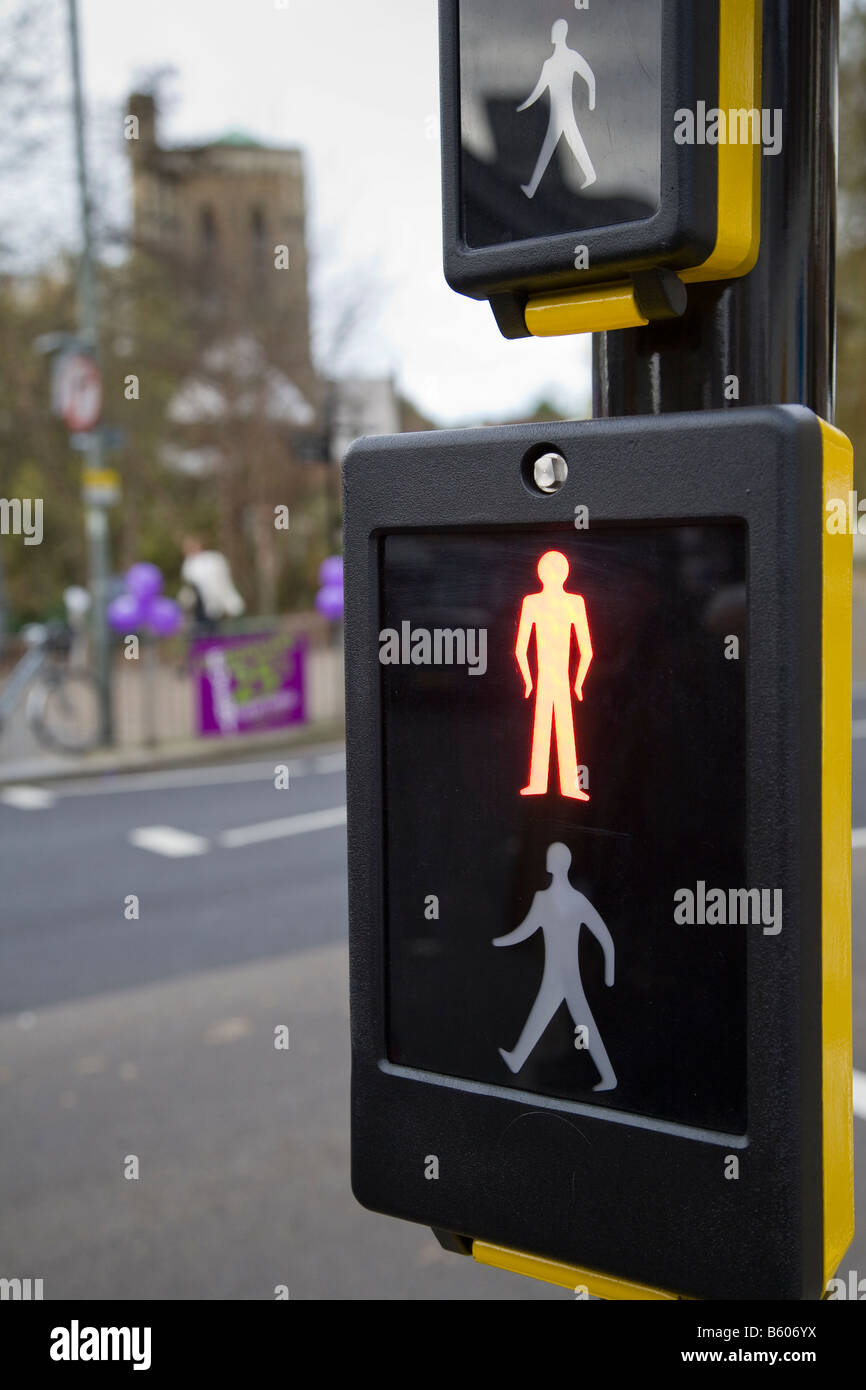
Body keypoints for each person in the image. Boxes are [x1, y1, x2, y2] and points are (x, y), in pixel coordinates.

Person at [493, 842, 616, 1091]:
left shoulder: (575, 899)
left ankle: (607, 1076)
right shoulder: (546, 898)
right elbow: (525, 930)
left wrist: (609, 971)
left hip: (567, 974)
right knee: (549, 1016)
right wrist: (499, 941)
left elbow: (604, 937)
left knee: (577, 1020)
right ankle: (519, 1058)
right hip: (555, 973)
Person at [515, 550, 592, 799]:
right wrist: (578, 682)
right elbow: (587, 652)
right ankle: (566, 786)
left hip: (546, 677)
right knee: (562, 728)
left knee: (547, 727)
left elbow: (520, 650)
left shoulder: (534, 602)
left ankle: (545, 784)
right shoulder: (572, 602)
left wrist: (529, 680)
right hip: (559, 678)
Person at [518, 17, 597, 198]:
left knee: (561, 145)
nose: (554, 35)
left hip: (565, 112)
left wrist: (592, 100)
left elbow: (589, 77)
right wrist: (524, 106)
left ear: (561, 34)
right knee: (554, 147)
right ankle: (533, 186)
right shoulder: (549, 64)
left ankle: (533, 186)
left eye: (556, 32)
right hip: (556, 114)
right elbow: (538, 91)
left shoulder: (571, 57)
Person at [179, 536, 245, 635]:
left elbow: (220, 583)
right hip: (199, 608)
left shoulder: (211, 561)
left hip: (211, 607)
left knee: (214, 632)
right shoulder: (188, 565)